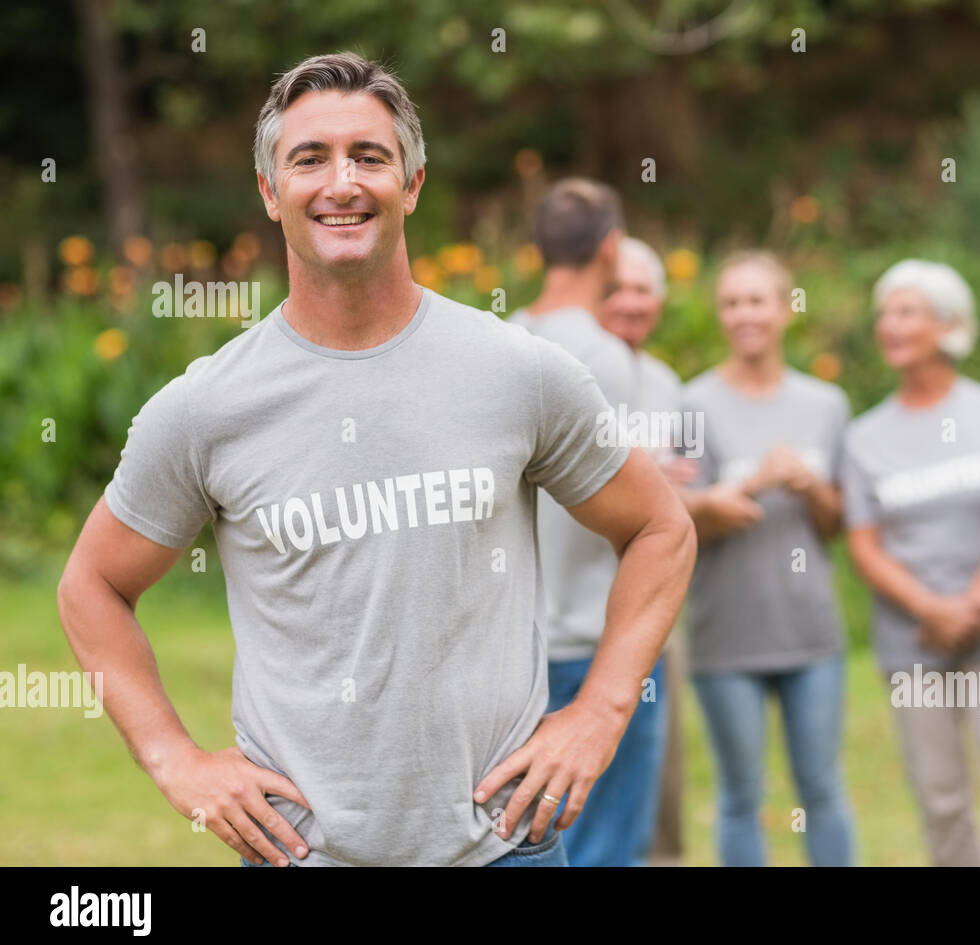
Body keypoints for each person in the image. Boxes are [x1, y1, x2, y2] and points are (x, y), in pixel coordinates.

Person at [55, 52, 696, 868]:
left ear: (413, 183)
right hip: (303, 852)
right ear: (269, 191)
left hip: (504, 848)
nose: (342, 183)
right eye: (309, 159)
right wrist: (176, 760)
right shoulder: (206, 408)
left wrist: (601, 713)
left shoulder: (517, 371)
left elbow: (658, 528)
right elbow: (91, 586)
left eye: (370, 156)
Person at [840, 259, 980, 866]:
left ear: (948, 324)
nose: (890, 325)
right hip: (914, 648)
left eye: (906, 311)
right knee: (942, 804)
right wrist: (932, 609)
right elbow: (864, 545)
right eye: (884, 314)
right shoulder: (864, 435)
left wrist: (975, 603)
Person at [508, 183, 674, 866]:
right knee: (608, 838)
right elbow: (632, 508)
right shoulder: (606, 356)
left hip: (517, 640)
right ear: (610, 248)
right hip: (595, 637)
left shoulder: (501, 337)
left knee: (532, 830)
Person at [680, 250, 855, 867]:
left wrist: (809, 485)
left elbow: (837, 526)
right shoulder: (691, 404)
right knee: (739, 796)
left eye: (756, 301)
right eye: (730, 303)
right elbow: (677, 519)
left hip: (811, 635)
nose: (743, 315)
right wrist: (749, 487)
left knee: (823, 788)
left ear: (785, 310)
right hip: (726, 636)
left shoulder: (826, 405)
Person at [597, 236, 697, 865]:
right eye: (618, 289)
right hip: (573, 617)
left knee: (660, 782)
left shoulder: (666, 384)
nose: (630, 303)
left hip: (656, 611)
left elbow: (685, 488)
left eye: (642, 290)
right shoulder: (564, 370)